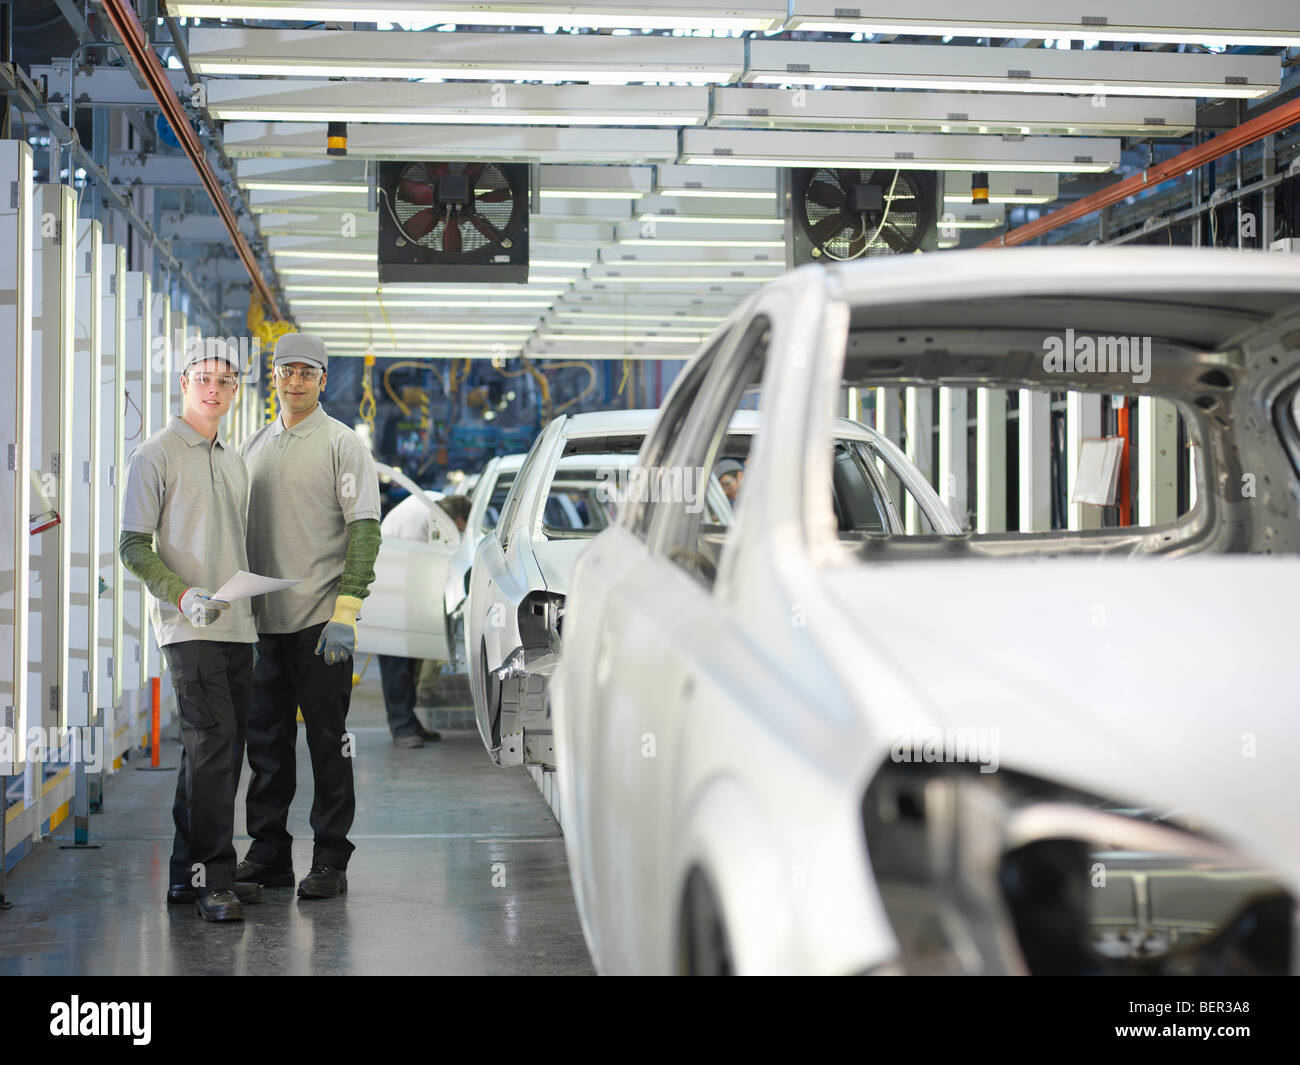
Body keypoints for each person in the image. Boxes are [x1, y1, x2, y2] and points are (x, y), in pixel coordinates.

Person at [118, 341, 264, 922]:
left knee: (215, 752)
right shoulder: (155, 454)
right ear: (183, 383)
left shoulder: (233, 460)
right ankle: (214, 880)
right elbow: (132, 545)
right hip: (187, 625)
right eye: (203, 378)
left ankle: (187, 876)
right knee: (213, 747)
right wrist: (181, 593)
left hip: (237, 626)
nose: (214, 389)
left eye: (225, 382)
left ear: (235, 392)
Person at [237, 333, 382, 900]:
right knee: (266, 747)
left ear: (323, 380)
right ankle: (269, 855)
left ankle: (330, 861)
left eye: (306, 372)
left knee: (328, 743)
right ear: (273, 377)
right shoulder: (254, 446)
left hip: (321, 625)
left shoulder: (343, 445)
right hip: (260, 625)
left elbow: (364, 530)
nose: (294, 381)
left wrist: (346, 610)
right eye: (285, 371)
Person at [379, 493, 470, 747]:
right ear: (450, 519)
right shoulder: (416, 521)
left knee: (407, 664)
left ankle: (409, 722)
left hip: (404, 593)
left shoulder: (437, 506)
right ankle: (401, 727)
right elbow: (411, 564)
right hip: (391, 594)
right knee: (396, 665)